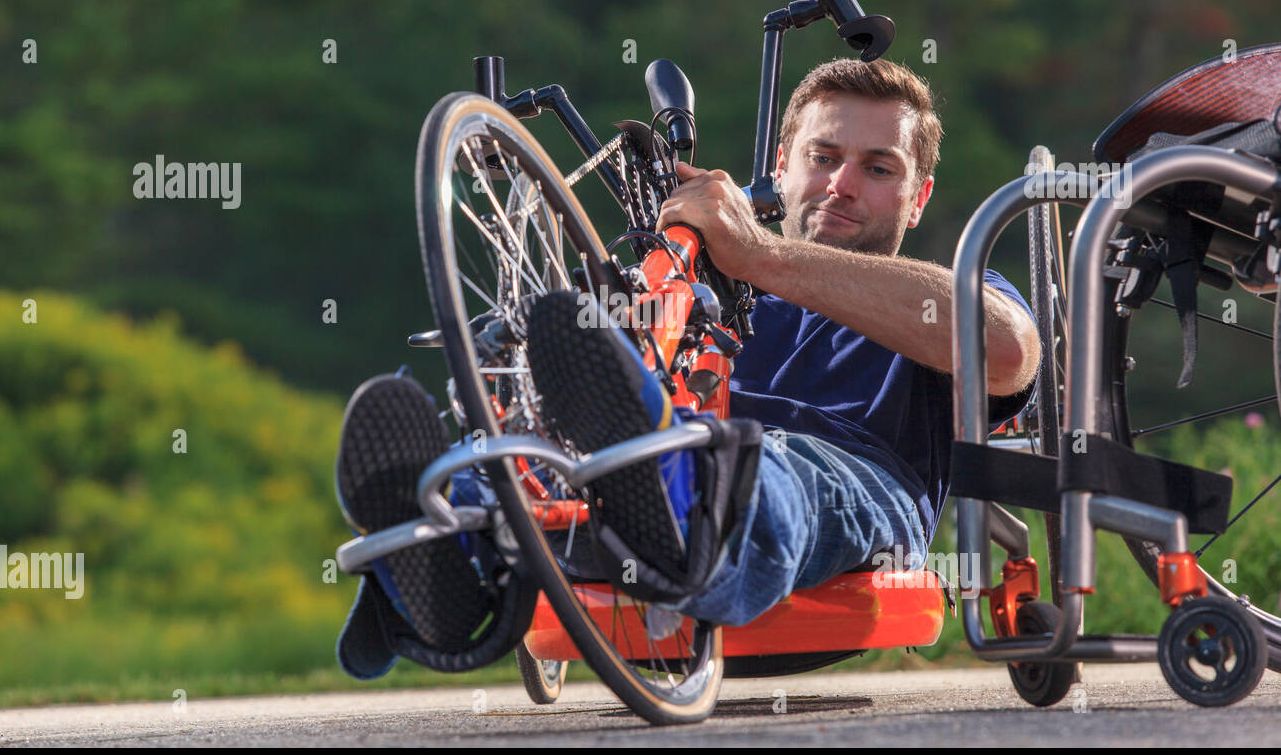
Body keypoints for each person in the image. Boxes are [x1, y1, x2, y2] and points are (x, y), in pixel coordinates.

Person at [335, 57, 1040, 675]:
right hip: (648, 450)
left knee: (771, 464)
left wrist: (760, 256)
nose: (842, 184)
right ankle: (440, 562)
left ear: (917, 198)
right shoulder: (707, 281)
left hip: (849, 478)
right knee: (523, 450)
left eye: (878, 168)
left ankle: (677, 493)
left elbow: (1005, 351)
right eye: (823, 157)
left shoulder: (946, 289)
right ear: (781, 166)